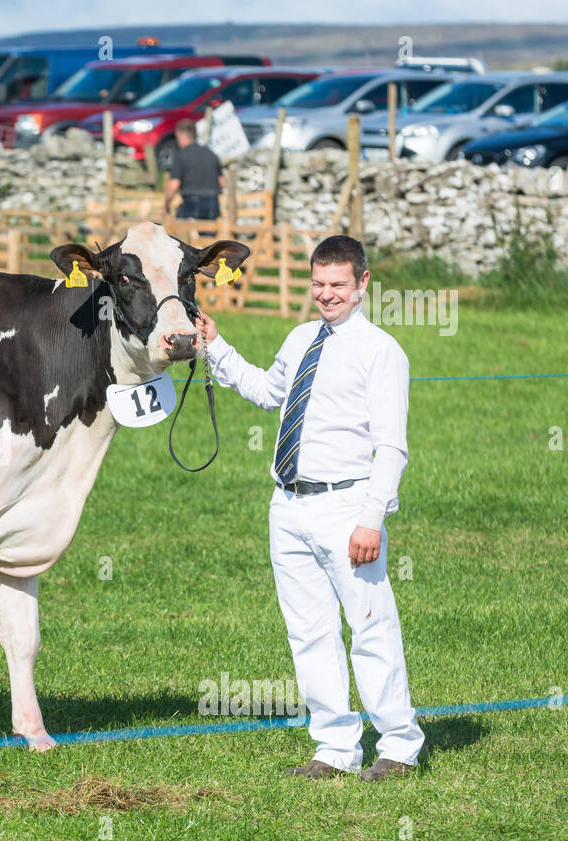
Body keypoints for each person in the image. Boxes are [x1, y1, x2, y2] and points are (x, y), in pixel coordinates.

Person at [194, 235, 424, 783]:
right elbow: (268, 391)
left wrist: (373, 517)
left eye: (338, 285)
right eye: (319, 284)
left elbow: (391, 444)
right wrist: (216, 348)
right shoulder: (300, 338)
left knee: (370, 624)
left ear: (363, 284)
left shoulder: (381, 351)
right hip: (288, 505)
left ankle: (399, 744)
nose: (327, 294)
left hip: (348, 505)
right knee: (309, 631)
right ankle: (335, 747)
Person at [163, 118, 224, 220]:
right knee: (210, 235)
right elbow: (222, 182)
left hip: (190, 204)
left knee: (181, 234)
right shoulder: (211, 154)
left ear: (181, 135)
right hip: (212, 203)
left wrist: (166, 205)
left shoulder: (181, 156)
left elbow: (173, 186)